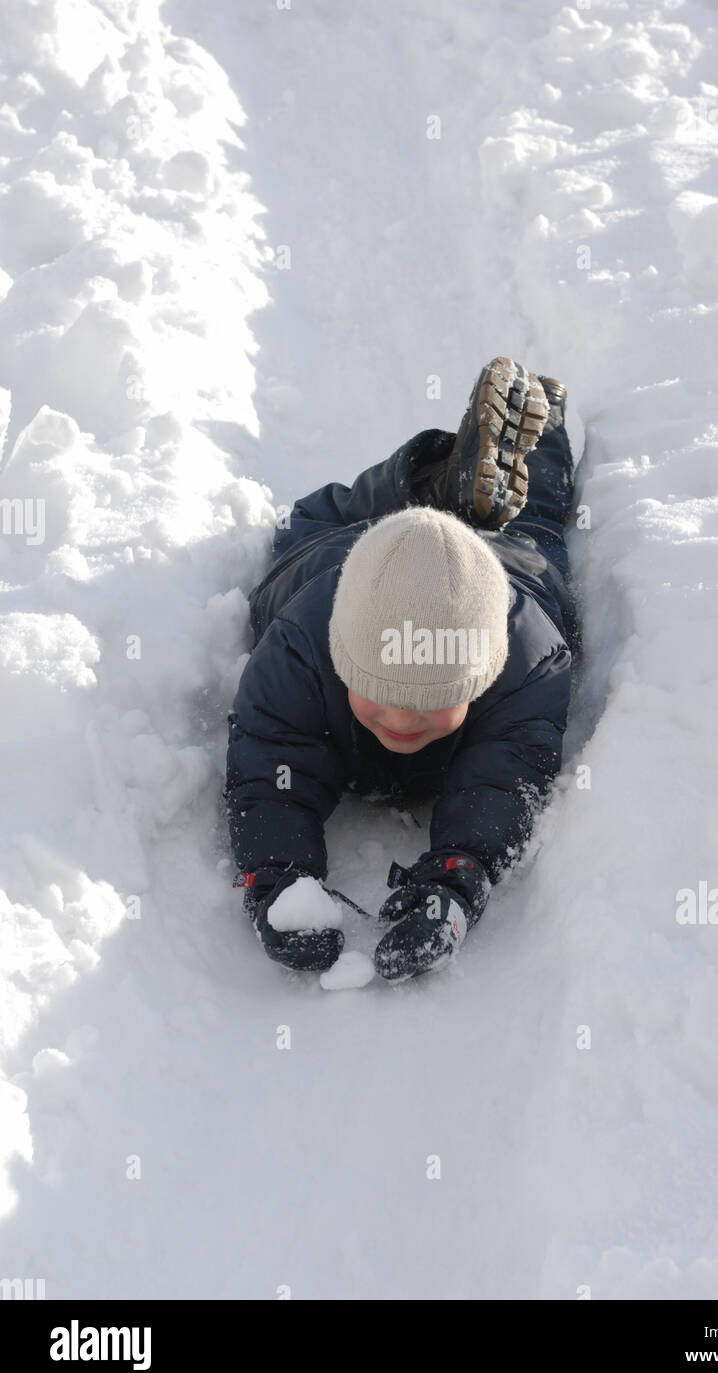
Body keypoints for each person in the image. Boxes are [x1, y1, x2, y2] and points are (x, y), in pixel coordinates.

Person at [225, 356, 581, 982]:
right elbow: (269, 758)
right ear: (342, 662)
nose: (400, 721)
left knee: (537, 528)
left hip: (506, 571)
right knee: (305, 524)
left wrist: (459, 875)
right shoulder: (299, 648)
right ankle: (435, 482)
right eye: (379, 694)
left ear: (481, 678)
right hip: (338, 559)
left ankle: (541, 429)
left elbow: (504, 777)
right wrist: (276, 875)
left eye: (428, 702)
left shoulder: (526, 663)